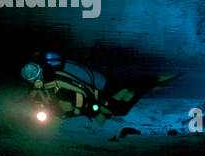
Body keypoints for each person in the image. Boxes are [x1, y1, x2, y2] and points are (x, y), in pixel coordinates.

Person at [21, 52, 179, 122]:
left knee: (120, 110)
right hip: (87, 106)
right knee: (118, 110)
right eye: (32, 79)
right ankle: (142, 85)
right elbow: (54, 107)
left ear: (40, 72)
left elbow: (82, 88)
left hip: (94, 96)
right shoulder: (40, 91)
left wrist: (96, 102)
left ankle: (144, 83)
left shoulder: (57, 79)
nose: (36, 81)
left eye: (36, 77)